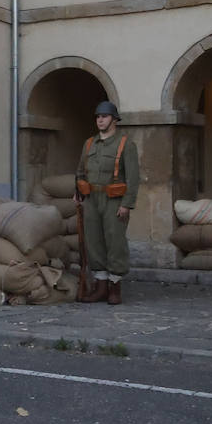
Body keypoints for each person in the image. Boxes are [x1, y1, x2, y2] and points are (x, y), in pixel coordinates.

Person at [74, 100, 140, 305]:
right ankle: (100, 286)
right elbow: (80, 171)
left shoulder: (125, 144)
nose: (100, 120)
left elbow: (133, 178)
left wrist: (127, 204)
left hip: (114, 200)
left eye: (104, 116)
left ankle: (114, 287)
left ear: (114, 120)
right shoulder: (89, 144)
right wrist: (78, 192)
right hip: (92, 199)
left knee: (115, 242)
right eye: (98, 117)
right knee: (93, 241)